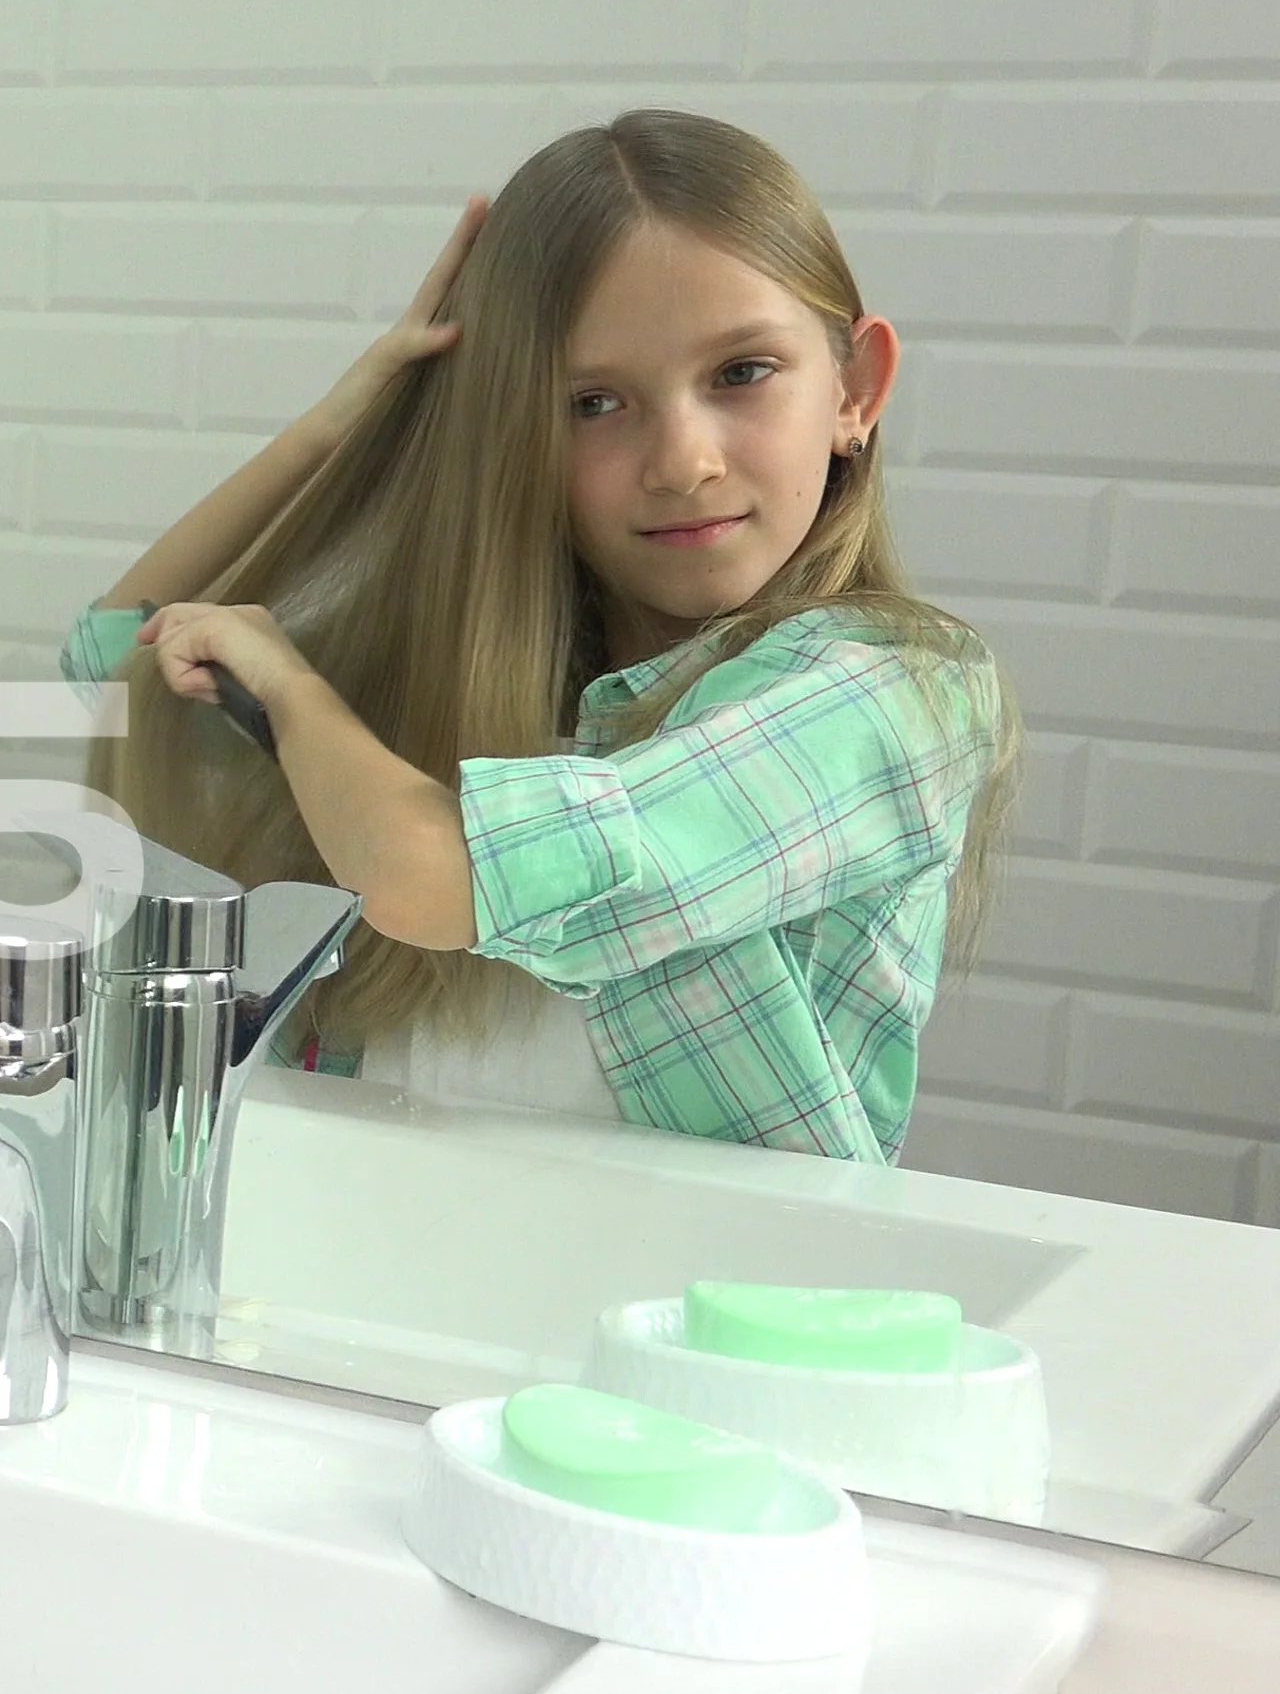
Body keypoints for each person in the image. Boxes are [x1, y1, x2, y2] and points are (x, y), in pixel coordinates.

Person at [67, 109, 1015, 1165]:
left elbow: (434, 876)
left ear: (857, 389)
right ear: (517, 433)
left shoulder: (884, 696)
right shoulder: (430, 693)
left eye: (742, 373)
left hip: (693, 1312)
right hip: (389, 1289)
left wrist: (290, 690)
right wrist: (352, 424)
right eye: (595, 401)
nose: (682, 460)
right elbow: (120, 661)